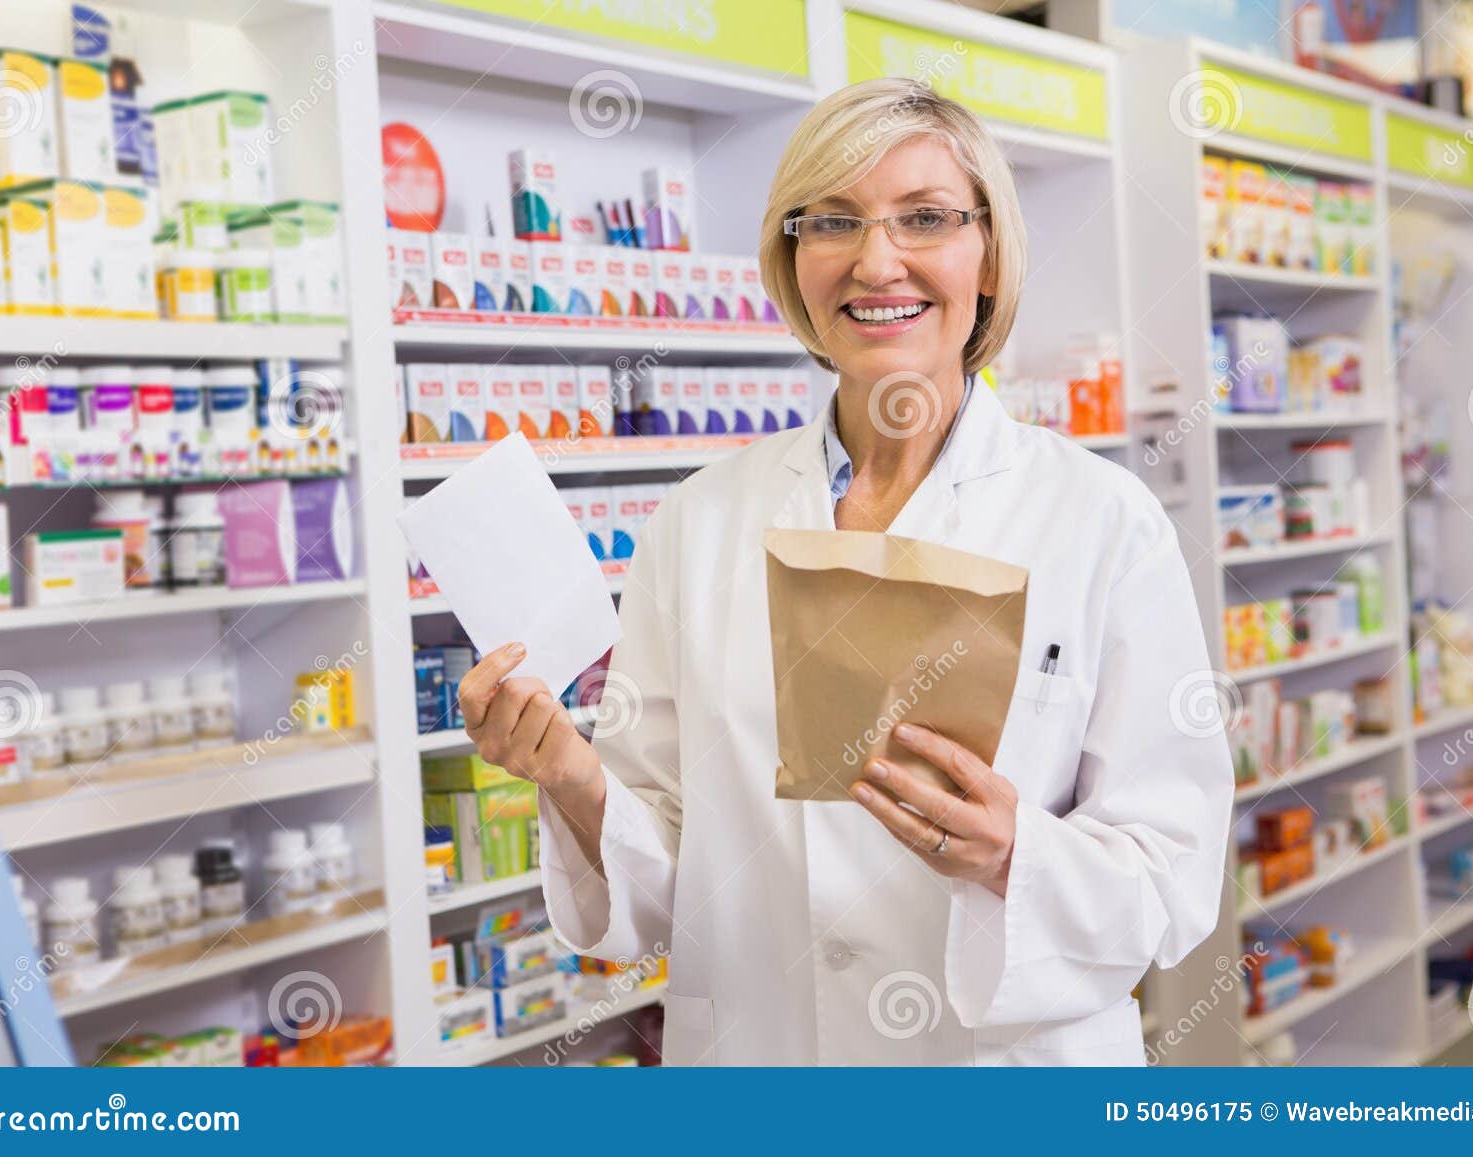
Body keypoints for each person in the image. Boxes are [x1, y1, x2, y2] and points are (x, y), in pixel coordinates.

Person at [458, 78, 1233, 1065]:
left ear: (987, 252)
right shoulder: (696, 522)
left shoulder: (1103, 522)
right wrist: (568, 772)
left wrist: (1017, 851)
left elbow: (1170, 876)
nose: (875, 261)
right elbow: (663, 882)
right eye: (831, 220)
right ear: (792, 261)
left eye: (924, 217)